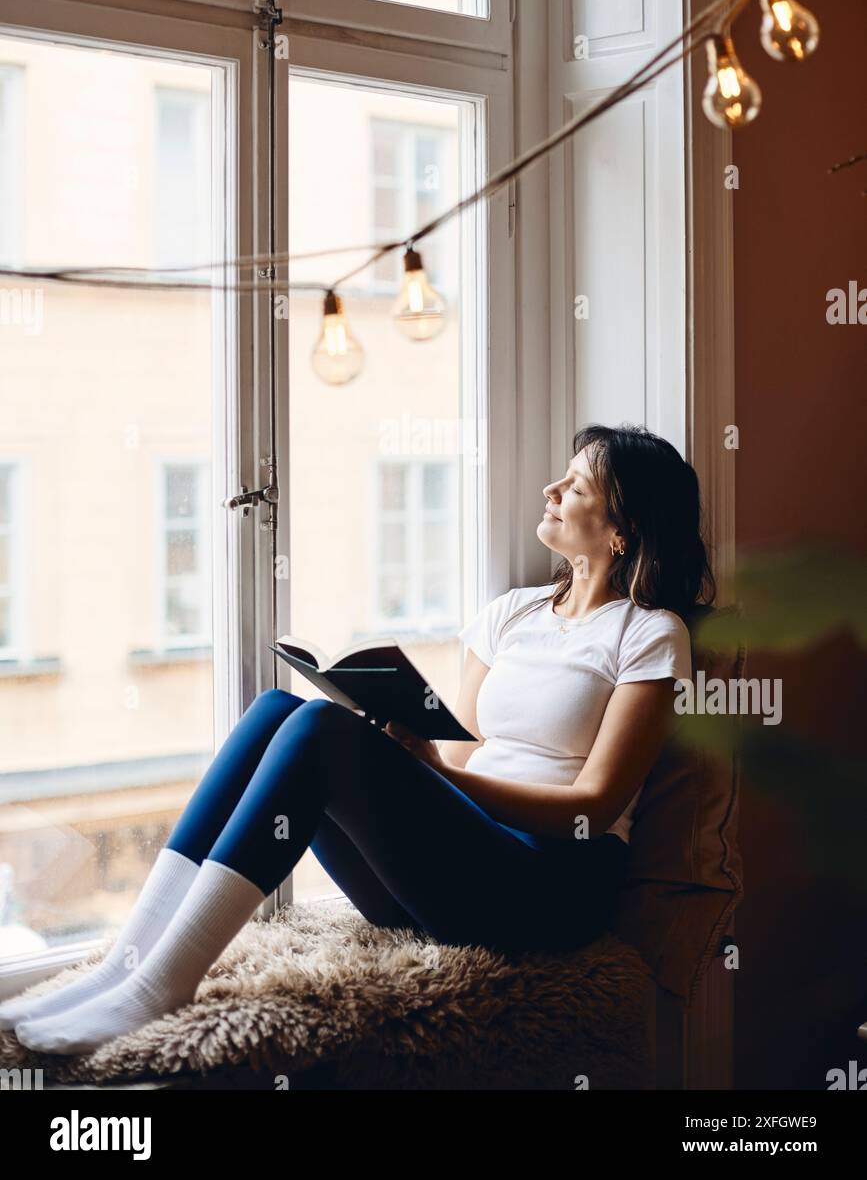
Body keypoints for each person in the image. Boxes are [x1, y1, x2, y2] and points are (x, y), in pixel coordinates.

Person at [3, 422, 713, 1055]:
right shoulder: (512, 614)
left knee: (317, 730)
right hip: (449, 876)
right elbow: (460, 754)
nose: (550, 488)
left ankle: (159, 987)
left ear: (621, 532)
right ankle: (129, 964)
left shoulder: (649, 632)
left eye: (577, 485)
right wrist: (420, 756)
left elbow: (593, 805)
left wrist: (438, 781)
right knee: (278, 709)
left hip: (545, 887)